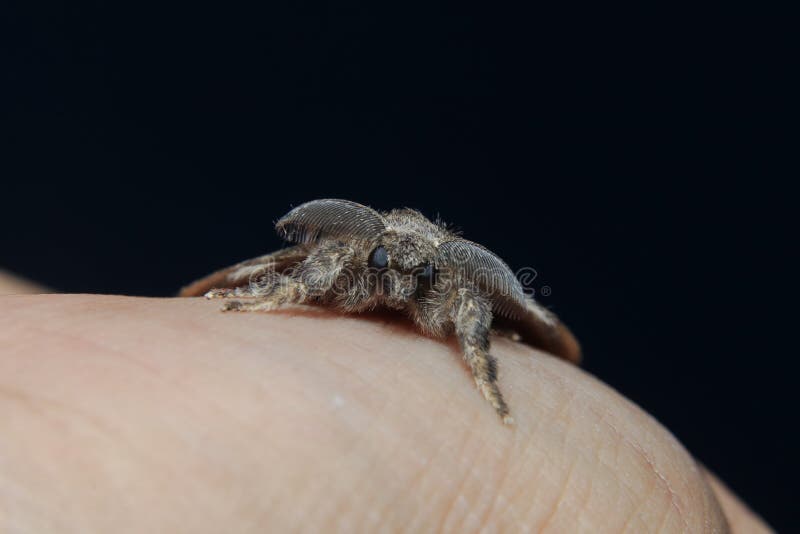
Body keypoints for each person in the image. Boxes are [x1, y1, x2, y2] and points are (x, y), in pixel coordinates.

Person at [0, 271, 772, 532]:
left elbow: (507, 317)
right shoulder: (356, 256)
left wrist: (491, 379)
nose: (395, 280)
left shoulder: (447, 285)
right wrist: (238, 298)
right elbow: (297, 261)